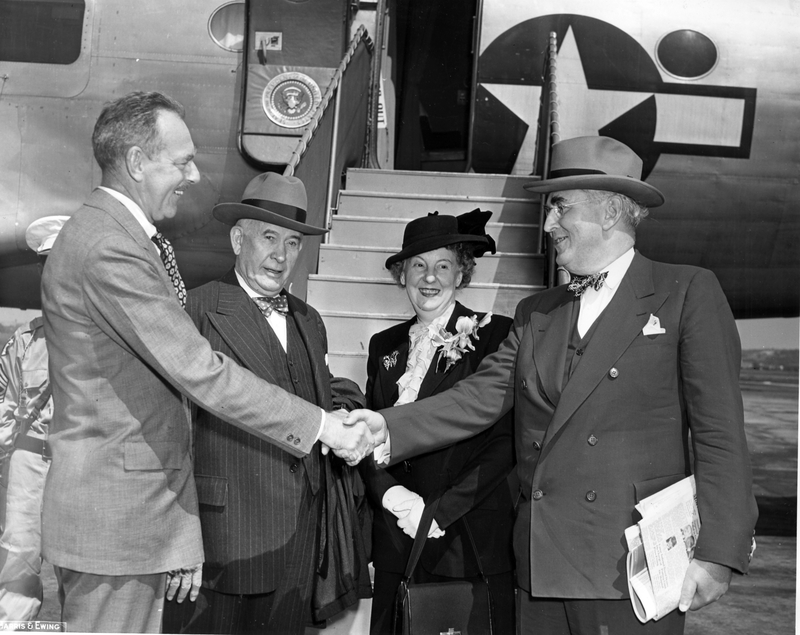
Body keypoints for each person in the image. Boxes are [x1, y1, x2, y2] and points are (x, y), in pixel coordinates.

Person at [349, 136, 758, 635]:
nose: (547, 225)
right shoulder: (537, 311)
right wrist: (383, 425)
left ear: (609, 213)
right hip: (540, 566)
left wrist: (718, 552)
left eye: (560, 207)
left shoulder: (686, 292)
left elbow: (720, 436)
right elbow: (479, 397)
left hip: (631, 570)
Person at [39, 91, 375, 633]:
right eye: (181, 161)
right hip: (120, 522)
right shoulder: (110, 246)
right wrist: (321, 427)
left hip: (138, 522)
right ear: (135, 162)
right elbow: (200, 371)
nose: (193, 176)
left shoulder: (118, 237)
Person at [163, 172, 369, 635]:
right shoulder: (195, 310)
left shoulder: (308, 319)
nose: (281, 256)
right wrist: (179, 539)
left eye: (293, 242)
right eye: (269, 238)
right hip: (220, 545)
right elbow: (167, 434)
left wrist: (345, 412)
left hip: (299, 541)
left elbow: (319, 388)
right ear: (238, 239)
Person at [362, 210, 516, 635]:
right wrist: (393, 497)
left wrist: (436, 513)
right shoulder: (383, 346)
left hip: (463, 536)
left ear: (461, 273)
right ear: (402, 275)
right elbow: (370, 438)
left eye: (442, 266)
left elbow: (503, 442)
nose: (429, 278)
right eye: (418, 266)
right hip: (395, 536)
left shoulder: (495, 335)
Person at [0, 216, 67, 620]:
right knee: (18, 562)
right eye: (47, 267)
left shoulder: (102, 337)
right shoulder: (24, 342)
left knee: (77, 566)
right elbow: (5, 403)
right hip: (28, 463)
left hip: (77, 463)